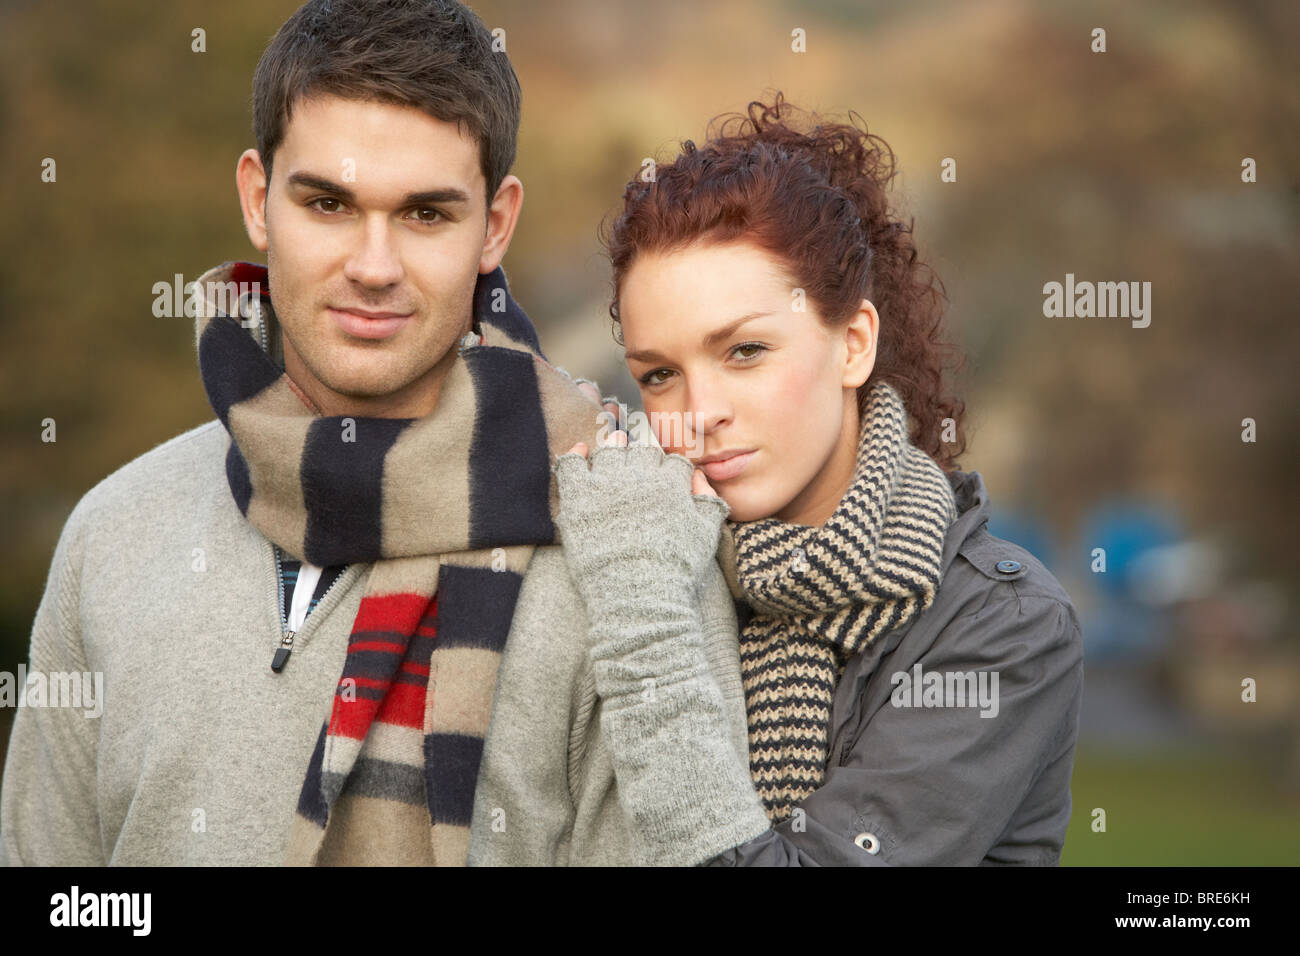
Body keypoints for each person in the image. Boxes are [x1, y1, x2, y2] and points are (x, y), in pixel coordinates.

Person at [0, 0, 762, 867]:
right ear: (257, 199)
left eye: (426, 214)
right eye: (327, 203)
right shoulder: (113, 535)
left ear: (495, 226)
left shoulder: (630, 553)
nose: (372, 266)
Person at [552, 93, 1086, 865]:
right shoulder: (637, 552)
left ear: (853, 344)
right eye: (660, 374)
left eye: (745, 352)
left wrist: (638, 605)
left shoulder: (1004, 628)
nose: (699, 413)